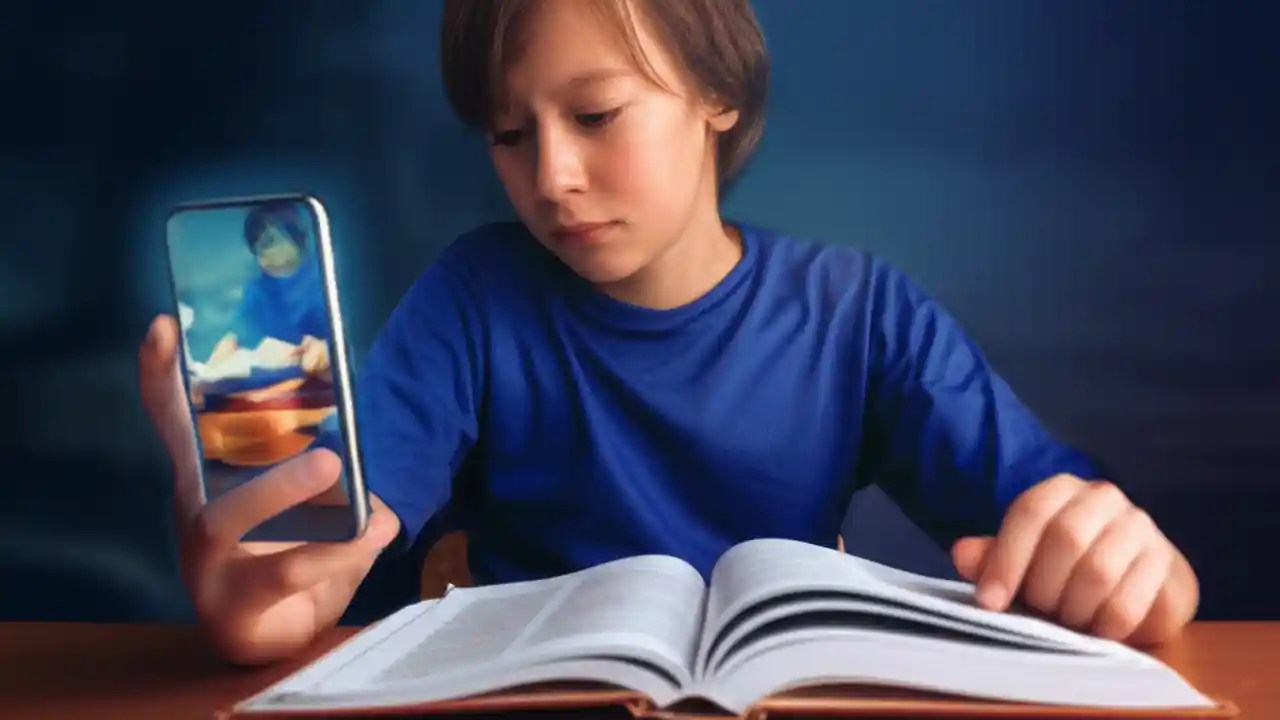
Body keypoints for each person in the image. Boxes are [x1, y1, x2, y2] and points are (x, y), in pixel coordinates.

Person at [137, 0, 1199, 667]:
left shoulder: (862, 316)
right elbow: (335, 542)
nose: (547, 177)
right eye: (508, 134)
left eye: (594, 116)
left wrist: (1139, 573)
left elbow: (1074, 537)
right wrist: (275, 592)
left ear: (717, 95)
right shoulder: (474, 297)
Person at [202, 200, 332, 383]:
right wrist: (209, 373)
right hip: (274, 392)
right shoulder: (257, 289)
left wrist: (327, 350)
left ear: (296, 237)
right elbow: (235, 336)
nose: (263, 256)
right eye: (257, 248)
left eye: (270, 242)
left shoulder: (324, 281)